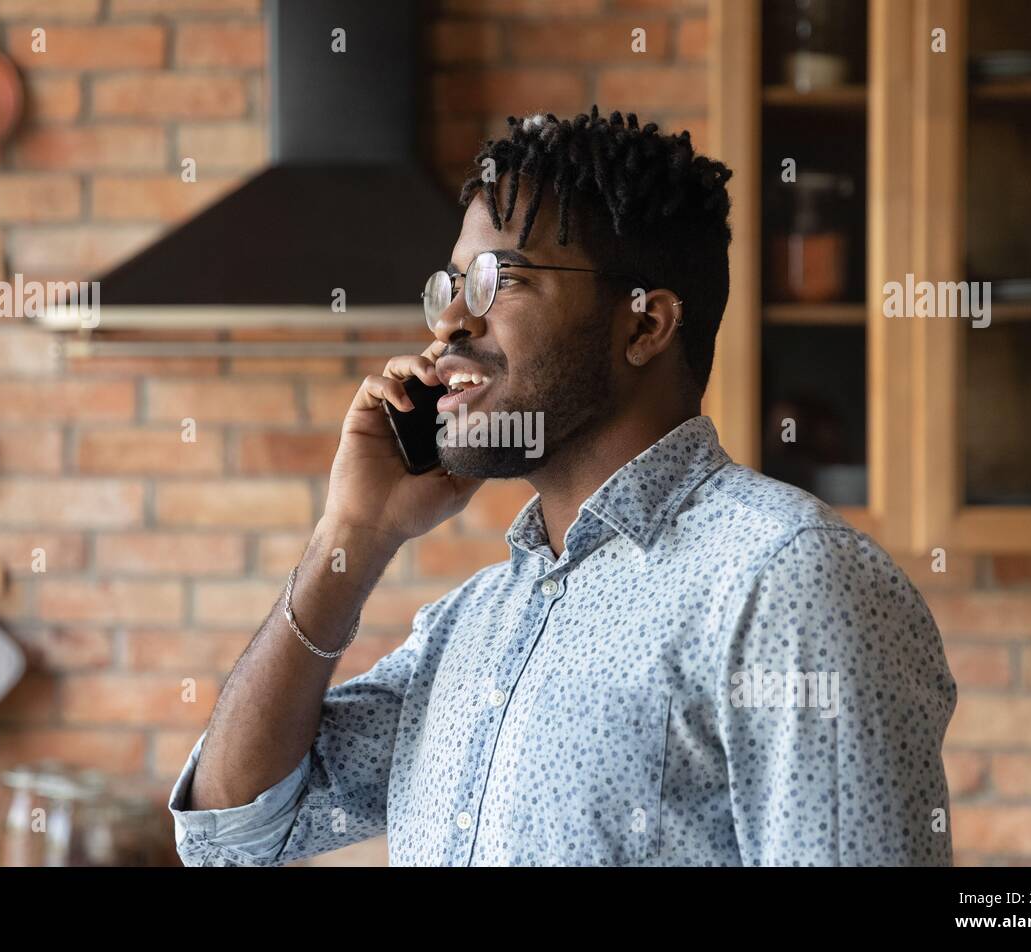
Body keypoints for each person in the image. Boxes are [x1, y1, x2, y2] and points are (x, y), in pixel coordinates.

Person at [168, 106, 957, 866]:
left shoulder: (786, 581)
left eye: (497, 280)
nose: (450, 326)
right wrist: (352, 534)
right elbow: (233, 834)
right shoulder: (469, 626)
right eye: (448, 288)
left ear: (644, 325)